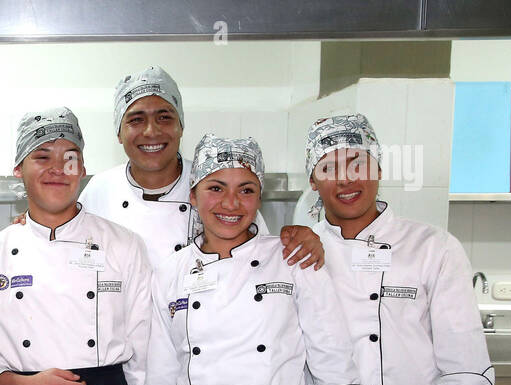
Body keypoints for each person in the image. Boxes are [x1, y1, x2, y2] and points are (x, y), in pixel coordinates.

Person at [143, 134, 364, 385]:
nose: (231, 204)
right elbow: (162, 376)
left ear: (259, 197)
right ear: (193, 194)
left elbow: (334, 370)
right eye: (216, 188)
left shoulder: (293, 258)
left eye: (246, 190)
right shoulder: (170, 271)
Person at [302, 113, 494, 385]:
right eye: (329, 168)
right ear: (313, 181)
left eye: (358, 163)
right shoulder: (299, 253)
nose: (347, 180)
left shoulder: (433, 247)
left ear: (378, 169)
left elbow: (464, 366)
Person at [0, 108, 151, 385]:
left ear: (81, 169)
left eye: (69, 158)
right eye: (41, 156)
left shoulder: (125, 246)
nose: (57, 169)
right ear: (19, 169)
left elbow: (145, 356)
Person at [78, 65, 325, 269]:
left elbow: (260, 260)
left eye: (165, 117)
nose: (151, 131)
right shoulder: (100, 189)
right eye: (136, 120)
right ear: (119, 133)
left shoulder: (213, 185)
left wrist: (299, 238)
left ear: (181, 126)